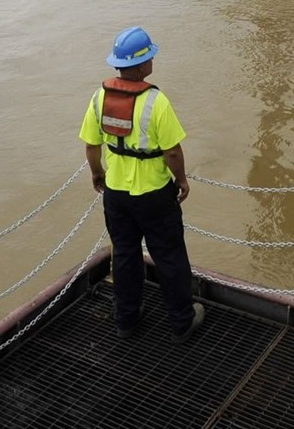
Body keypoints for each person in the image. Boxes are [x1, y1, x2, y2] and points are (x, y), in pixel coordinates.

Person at [79, 25, 205, 340]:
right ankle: (182, 322)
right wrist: (182, 180)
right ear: (142, 64)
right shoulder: (155, 101)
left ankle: (126, 320)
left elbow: (91, 146)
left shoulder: (99, 97)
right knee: (169, 255)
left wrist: (97, 173)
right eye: (150, 56)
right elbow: (173, 151)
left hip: (116, 193)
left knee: (124, 253)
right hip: (154, 195)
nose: (152, 61)